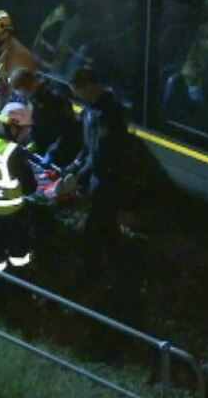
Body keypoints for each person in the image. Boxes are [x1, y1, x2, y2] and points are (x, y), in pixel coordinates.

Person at [65, 66, 132, 282]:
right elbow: (87, 148)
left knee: (93, 231)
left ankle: (94, 276)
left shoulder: (109, 114)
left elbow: (100, 155)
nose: (75, 96)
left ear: (90, 87)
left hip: (108, 182)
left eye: (78, 90)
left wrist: (78, 177)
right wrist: (73, 167)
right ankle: (118, 272)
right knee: (107, 229)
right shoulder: (91, 111)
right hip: (97, 180)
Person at [0, 102, 39, 271]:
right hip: (10, 213)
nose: (27, 133)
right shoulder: (14, 152)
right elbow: (30, 186)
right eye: (25, 129)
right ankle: (20, 283)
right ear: (15, 128)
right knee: (19, 255)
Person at [8, 67, 82, 168]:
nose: (23, 96)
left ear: (28, 86)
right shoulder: (34, 98)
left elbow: (68, 131)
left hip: (63, 156)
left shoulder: (55, 98)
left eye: (23, 92)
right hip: (44, 153)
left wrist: (52, 153)